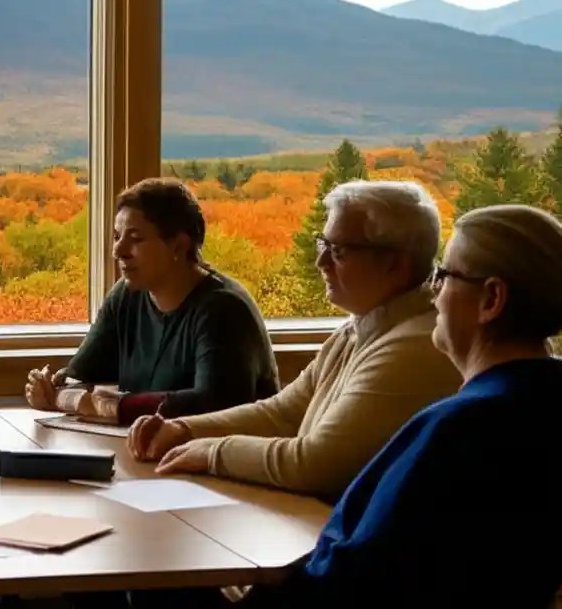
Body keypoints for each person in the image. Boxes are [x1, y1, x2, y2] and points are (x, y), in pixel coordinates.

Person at [241, 204, 562, 608]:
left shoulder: (460, 428)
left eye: (444, 276)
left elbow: (352, 580)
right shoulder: (543, 406)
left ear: (491, 299)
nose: (433, 292)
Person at [131, 181, 460, 499]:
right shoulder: (360, 328)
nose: (321, 262)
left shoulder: (413, 347)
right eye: (323, 245)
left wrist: (212, 451)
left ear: (396, 265)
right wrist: (184, 430)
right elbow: (283, 413)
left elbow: (316, 464)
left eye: (339, 251)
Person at [25, 178, 277, 425]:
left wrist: (111, 407)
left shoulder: (224, 310)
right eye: (117, 236)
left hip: (226, 460)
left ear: (178, 246)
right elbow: (79, 376)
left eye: (135, 239)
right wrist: (51, 390)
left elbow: (213, 403)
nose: (118, 250)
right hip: (151, 456)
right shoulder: (126, 296)